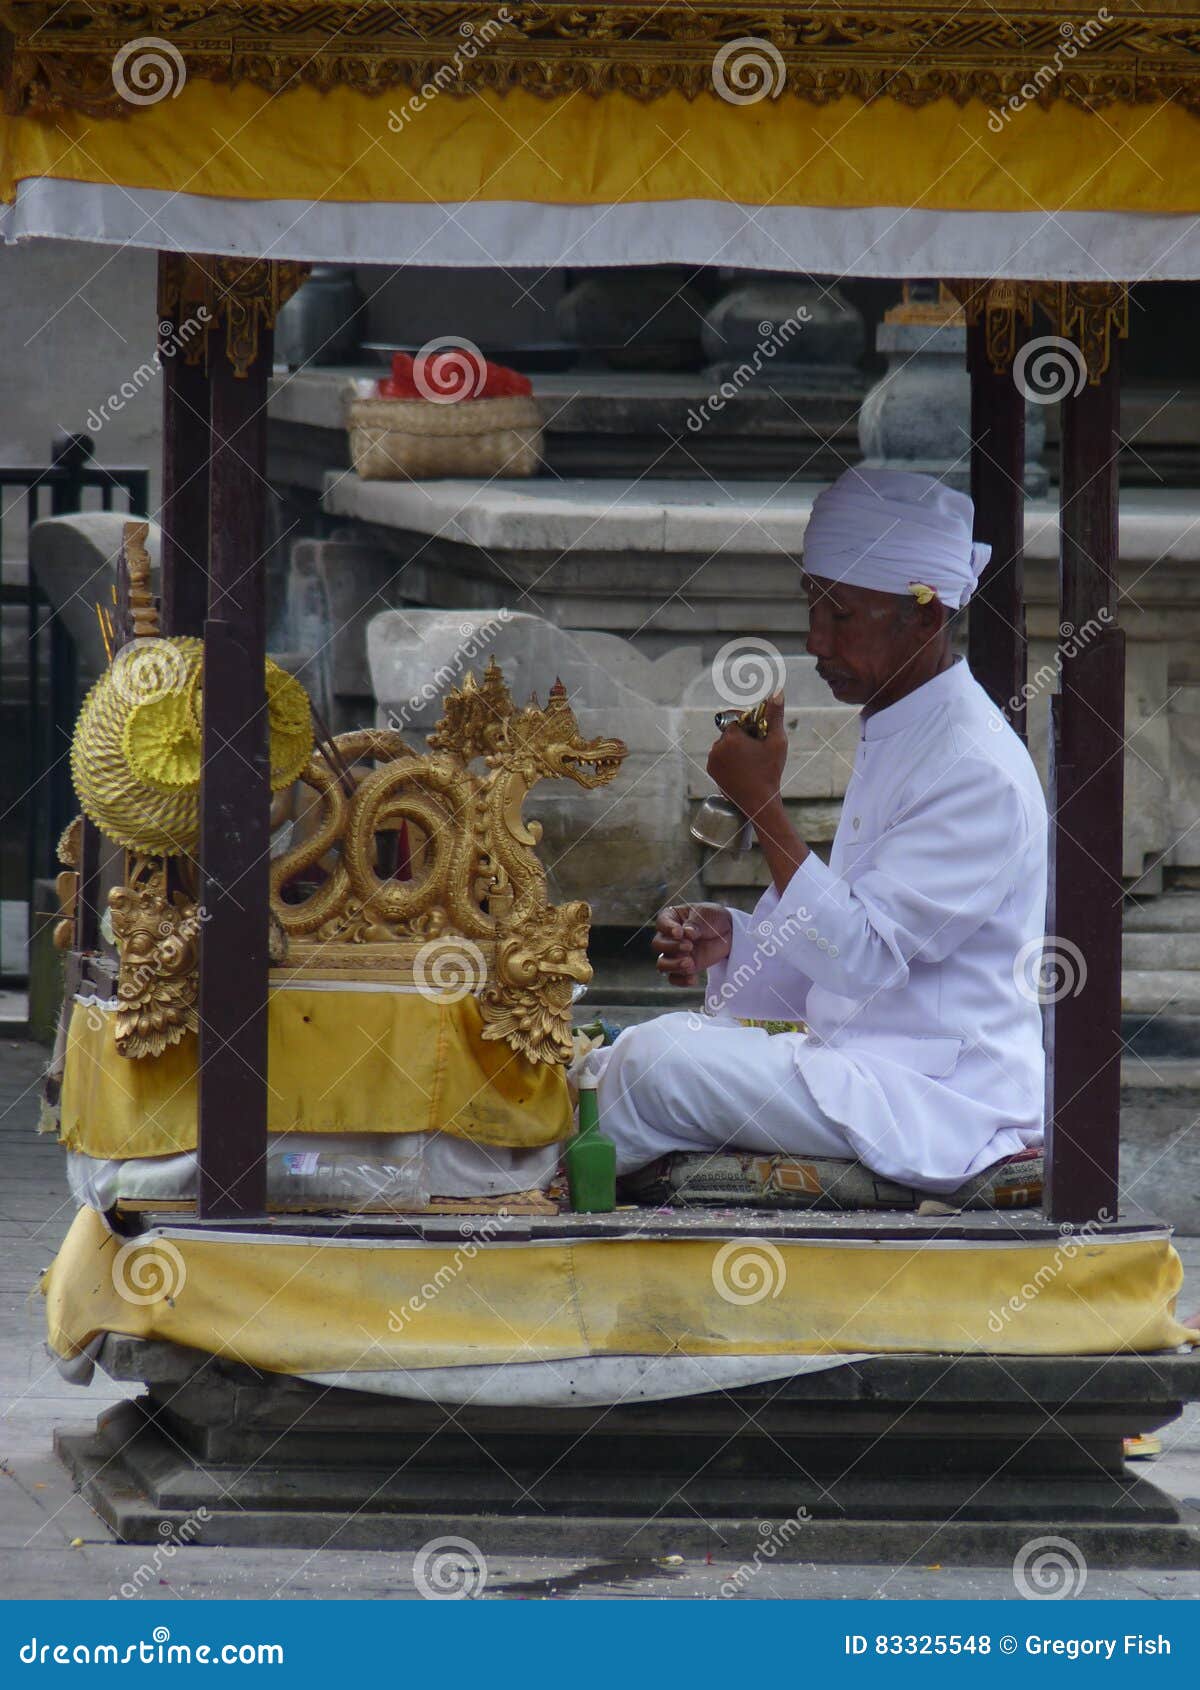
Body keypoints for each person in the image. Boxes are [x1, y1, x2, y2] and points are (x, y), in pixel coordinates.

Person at [588, 466, 1049, 1192]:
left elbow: (862, 961)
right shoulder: (904, 726)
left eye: (842, 616)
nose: (815, 640)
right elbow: (851, 949)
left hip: (935, 1099)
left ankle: (520, 1199)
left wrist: (762, 806)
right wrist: (734, 943)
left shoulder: (975, 767)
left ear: (924, 618)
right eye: (813, 606)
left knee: (648, 1065)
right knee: (624, 1058)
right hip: (864, 1065)